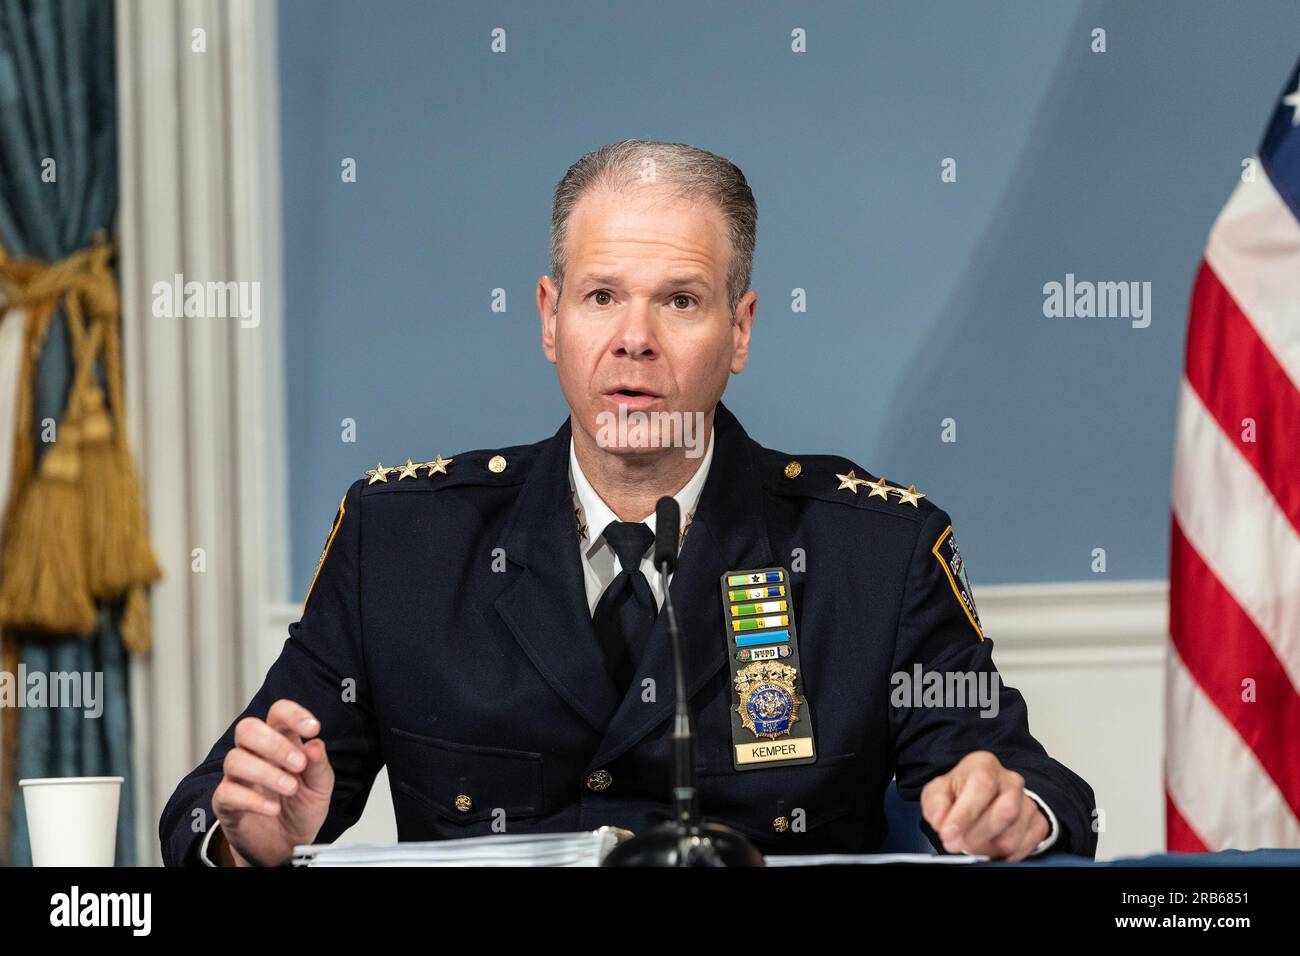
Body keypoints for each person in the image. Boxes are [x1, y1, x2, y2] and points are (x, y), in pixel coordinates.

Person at [160, 140, 1096, 866]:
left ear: (741, 330)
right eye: (602, 295)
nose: (634, 340)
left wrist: (1008, 807)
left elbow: (1037, 787)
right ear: (547, 316)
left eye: (681, 301)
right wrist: (252, 837)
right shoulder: (403, 543)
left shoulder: (872, 552)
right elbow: (213, 802)